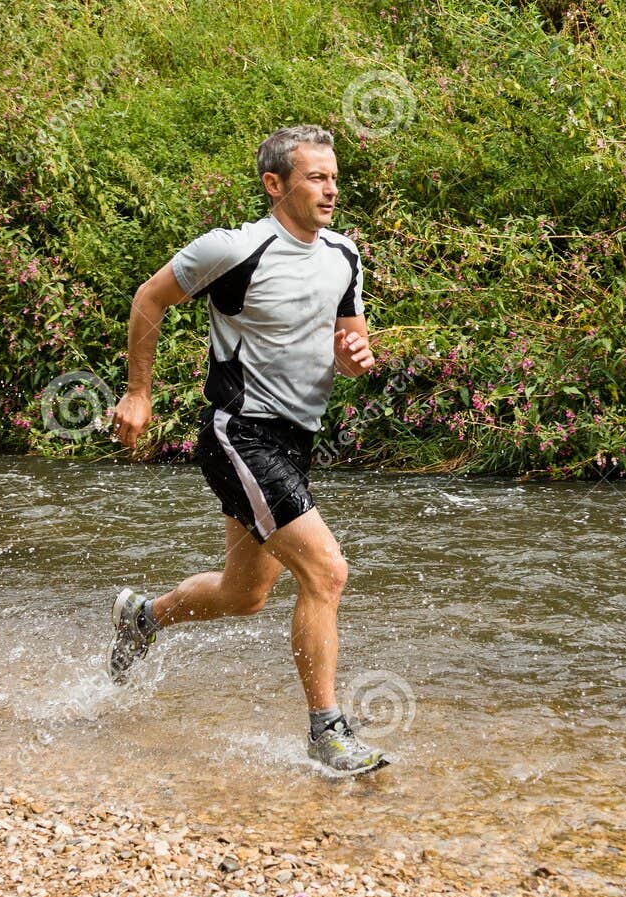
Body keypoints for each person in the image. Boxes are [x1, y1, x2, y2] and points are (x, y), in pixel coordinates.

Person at [106, 123, 387, 777]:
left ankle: (143, 618)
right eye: (316, 177)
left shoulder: (344, 257)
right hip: (239, 433)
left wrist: (355, 356)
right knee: (326, 571)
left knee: (244, 594)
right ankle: (328, 732)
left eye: (334, 177)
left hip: (295, 440)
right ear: (275, 184)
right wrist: (137, 392)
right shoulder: (234, 250)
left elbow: (350, 351)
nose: (330, 189)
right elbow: (150, 297)